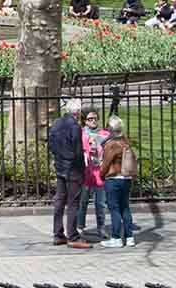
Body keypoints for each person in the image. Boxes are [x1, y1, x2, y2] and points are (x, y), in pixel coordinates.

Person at [48, 98, 90, 248]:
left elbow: (51, 145)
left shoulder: (57, 123)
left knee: (59, 200)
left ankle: (58, 234)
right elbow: (78, 151)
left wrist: (60, 157)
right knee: (73, 202)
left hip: (60, 166)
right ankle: (73, 235)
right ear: (77, 112)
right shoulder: (75, 127)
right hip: (73, 169)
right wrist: (82, 168)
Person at [99, 115, 136, 248]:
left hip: (113, 179)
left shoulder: (112, 144)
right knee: (125, 207)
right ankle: (129, 237)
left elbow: (106, 164)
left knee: (114, 208)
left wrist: (101, 174)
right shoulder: (126, 142)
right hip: (126, 178)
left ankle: (116, 238)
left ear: (111, 129)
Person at [78, 107, 109, 238]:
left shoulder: (105, 134)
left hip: (100, 172)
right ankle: (80, 226)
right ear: (85, 121)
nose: (93, 121)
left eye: (95, 119)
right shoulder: (80, 133)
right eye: (90, 119)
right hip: (85, 172)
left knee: (100, 203)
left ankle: (101, 227)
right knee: (82, 201)